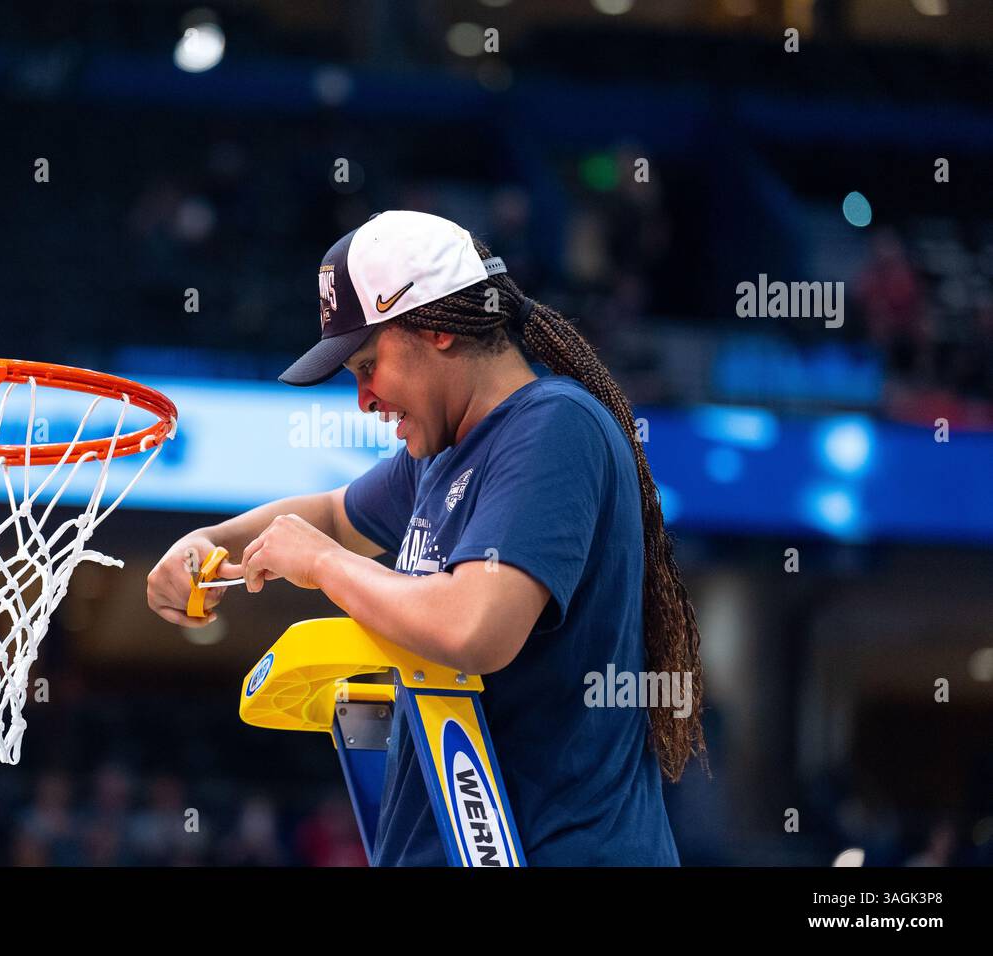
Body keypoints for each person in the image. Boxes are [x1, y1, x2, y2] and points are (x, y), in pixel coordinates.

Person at [147, 210, 703, 865]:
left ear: (436, 328)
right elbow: (330, 514)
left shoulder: (553, 428)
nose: (363, 401)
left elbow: (475, 627)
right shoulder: (438, 457)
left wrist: (322, 565)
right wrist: (210, 541)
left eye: (365, 365)